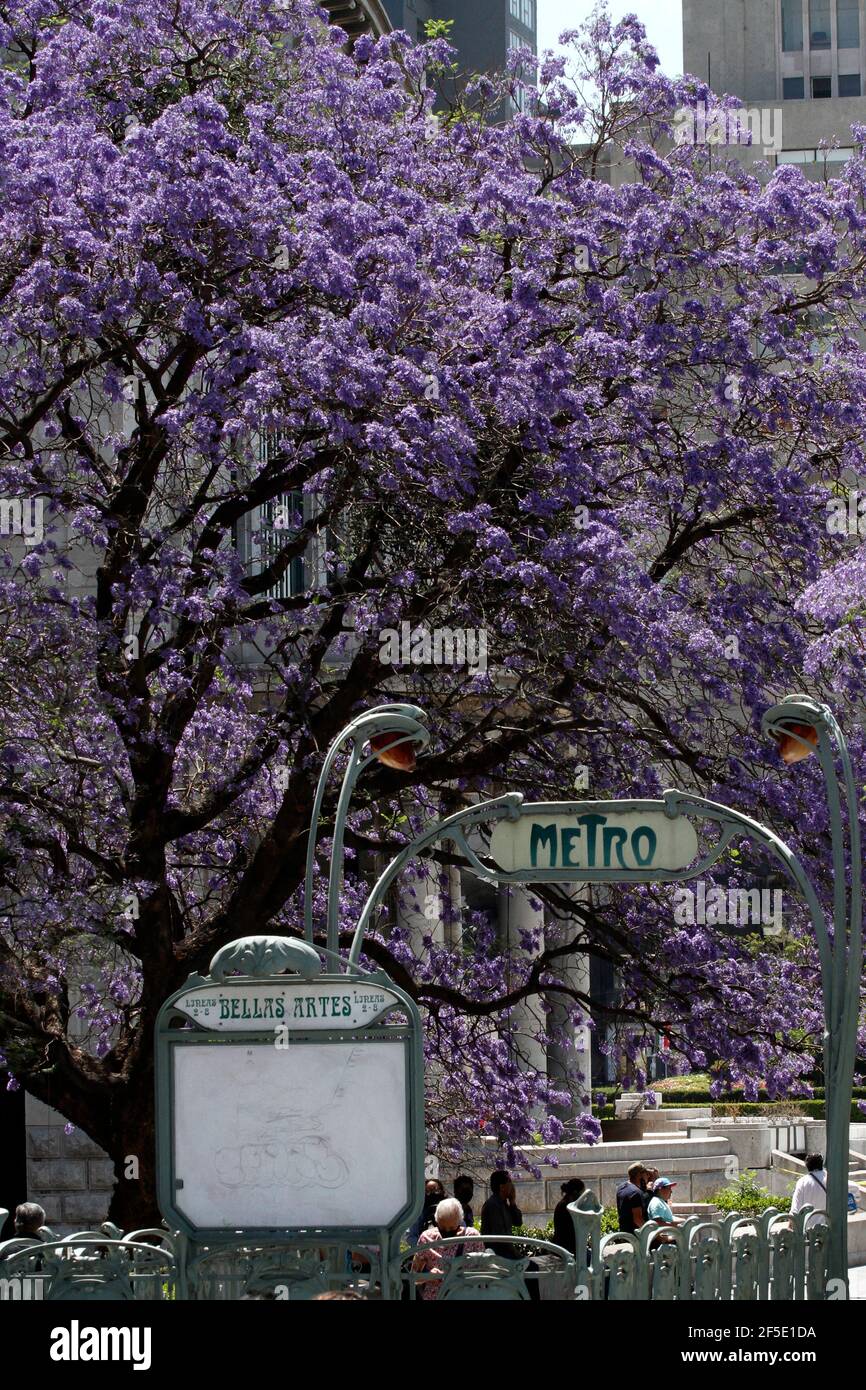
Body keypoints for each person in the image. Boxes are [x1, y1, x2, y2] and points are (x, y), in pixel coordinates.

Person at [480, 1170, 540, 1301]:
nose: (512, 1186)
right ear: (502, 1186)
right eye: (509, 1182)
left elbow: (518, 1222)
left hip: (506, 1253)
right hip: (498, 1255)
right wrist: (518, 1255)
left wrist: (512, 1202)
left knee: (533, 1267)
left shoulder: (504, 1204)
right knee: (531, 1267)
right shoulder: (492, 1205)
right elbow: (501, 1238)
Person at [411, 1197, 482, 1301]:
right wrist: (428, 1276)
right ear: (437, 1221)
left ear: (460, 1222)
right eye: (442, 1228)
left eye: (452, 1228)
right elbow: (413, 1277)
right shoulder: (427, 1238)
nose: (447, 1231)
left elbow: (484, 1271)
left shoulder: (472, 1237)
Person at [791, 1153, 828, 1229]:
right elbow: (854, 1189)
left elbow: (795, 1210)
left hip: (809, 1231)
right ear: (822, 1164)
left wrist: (789, 1225)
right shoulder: (831, 1178)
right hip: (829, 1229)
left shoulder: (802, 1182)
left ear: (807, 1166)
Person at [552, 1178, 585, 1255]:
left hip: (565, 1247)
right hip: (567, 1250)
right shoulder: (567, 1207)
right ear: (575, 1192)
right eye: (582, 1193)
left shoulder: (565, 1204)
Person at [409, 1178, 445, 1243]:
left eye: (435, 1190)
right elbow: (411, 1237)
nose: (432, 1194)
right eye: (428, 1191)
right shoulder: (418, 1213)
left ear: (442, 1191)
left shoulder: (450, 1208)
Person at [615, 1163, 647, 1233]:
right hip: (635, 1236)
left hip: (624, 1232)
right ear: (639, 1175)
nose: (647, 1176)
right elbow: (638, 1220)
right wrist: (654, 1234)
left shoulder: (621, 1187)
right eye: (645, 1173)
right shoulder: (635, 1193)